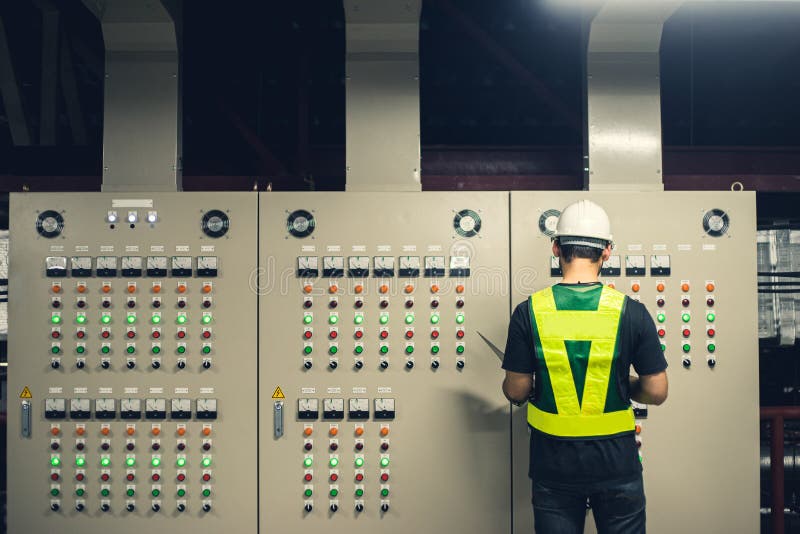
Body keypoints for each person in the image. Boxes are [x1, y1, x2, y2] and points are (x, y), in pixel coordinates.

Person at [502, 199, 668, 534]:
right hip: (617, 464)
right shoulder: (631, 312)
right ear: (607, 251)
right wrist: (624, 384)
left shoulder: (529, 311)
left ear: (555, 248)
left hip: (553, 467)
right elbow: (656, 391)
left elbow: (516, 389)